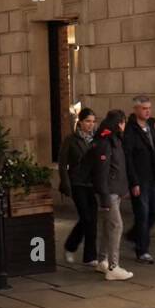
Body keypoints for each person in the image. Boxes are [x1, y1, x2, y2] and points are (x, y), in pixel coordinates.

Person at [91, 110, 132, 281]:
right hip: (109, 192)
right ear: (118, 123)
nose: (124, 126)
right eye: (123, 122)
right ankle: (113, 267)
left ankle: (103, 260)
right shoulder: (106, 142)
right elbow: (101, 172)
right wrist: (105, 197)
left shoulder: (114, 139)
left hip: (114, 190)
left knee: (108, 225)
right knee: (116, 226)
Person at [123, 96, 155, 265]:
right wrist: (134, 182)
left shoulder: (151, 126)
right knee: (142, 215)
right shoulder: (130, 130)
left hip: (153, 178)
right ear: (136, 110)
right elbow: (128, 158)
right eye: (144, 108)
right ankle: (143, 251)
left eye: (149, 108)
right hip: (140, 180)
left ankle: (134, 235)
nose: (148, 111)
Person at [58, 107, 98, 267]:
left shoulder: (96, 140)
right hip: (77, 183)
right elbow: (62, 164)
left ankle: (89, 256)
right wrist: (66, 184)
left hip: (92, 184)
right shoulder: (71, 140)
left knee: (91, 219)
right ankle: (71, 246)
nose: (91, 125)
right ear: (80, 122)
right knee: (86, 217)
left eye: (93, 122)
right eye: (88, 121)